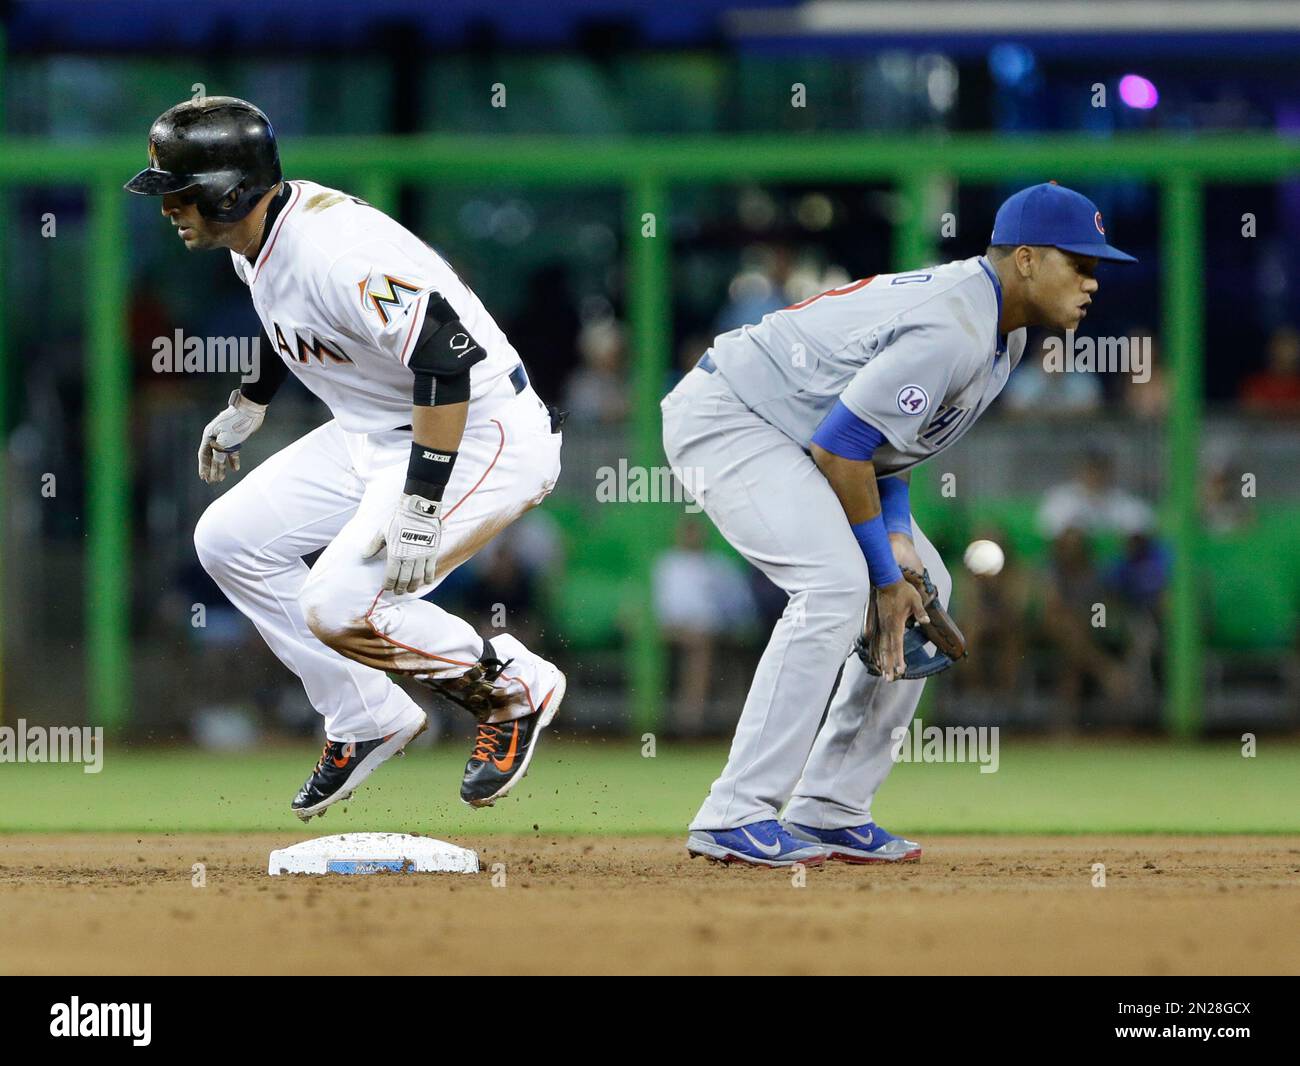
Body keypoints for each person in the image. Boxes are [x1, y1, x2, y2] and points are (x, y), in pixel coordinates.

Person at [662, 182, 1136, 866]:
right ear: (1026, 259)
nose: (1093, 282)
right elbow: (841, 446)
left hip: (797, 433)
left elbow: (887, 444)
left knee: (926, 582)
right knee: (835, 585)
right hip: (732, 416)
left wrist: (900, 545)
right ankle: (734, 811)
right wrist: (883, 577)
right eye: (1081, 264)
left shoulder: (1005, 332)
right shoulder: (956, 326)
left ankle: (830, 807)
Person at [125, 97, 566, 820]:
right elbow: (289, 316)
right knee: (229, 541)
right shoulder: (257, 239)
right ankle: (366, 716)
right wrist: (251, 403)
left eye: (179, 192)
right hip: (375, 430)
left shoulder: (336, 251)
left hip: (481, 432)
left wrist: (421, 507)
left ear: (230, 191)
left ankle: (514, 687)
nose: (168, 207)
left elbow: (446, 358)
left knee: (338, 605)